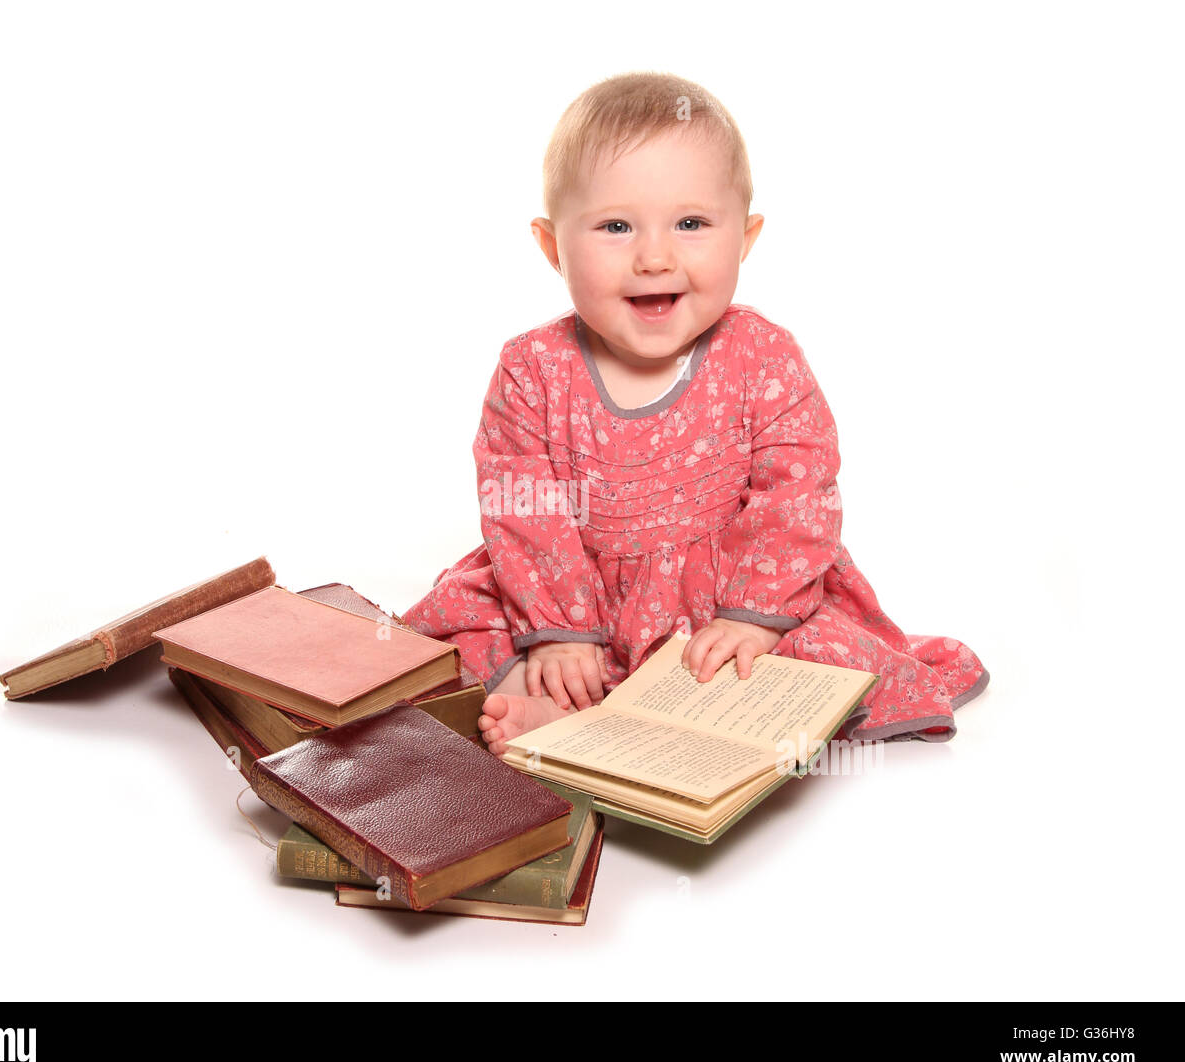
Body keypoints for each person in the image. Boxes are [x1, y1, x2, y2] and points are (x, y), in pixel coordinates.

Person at [400, 71, 989, 756]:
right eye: (616, 226)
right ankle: (564, 708)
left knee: (782, 663)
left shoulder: (761, 356)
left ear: (745, 236)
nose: (655, 256)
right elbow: (522, 507)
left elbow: (799, 491)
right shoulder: (533, 368)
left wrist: (754, 616)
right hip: (575, 594)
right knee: (465, 633)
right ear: (552, 246)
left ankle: (634, 719)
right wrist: (560, 629)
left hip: (723, 602)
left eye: (692, 223)